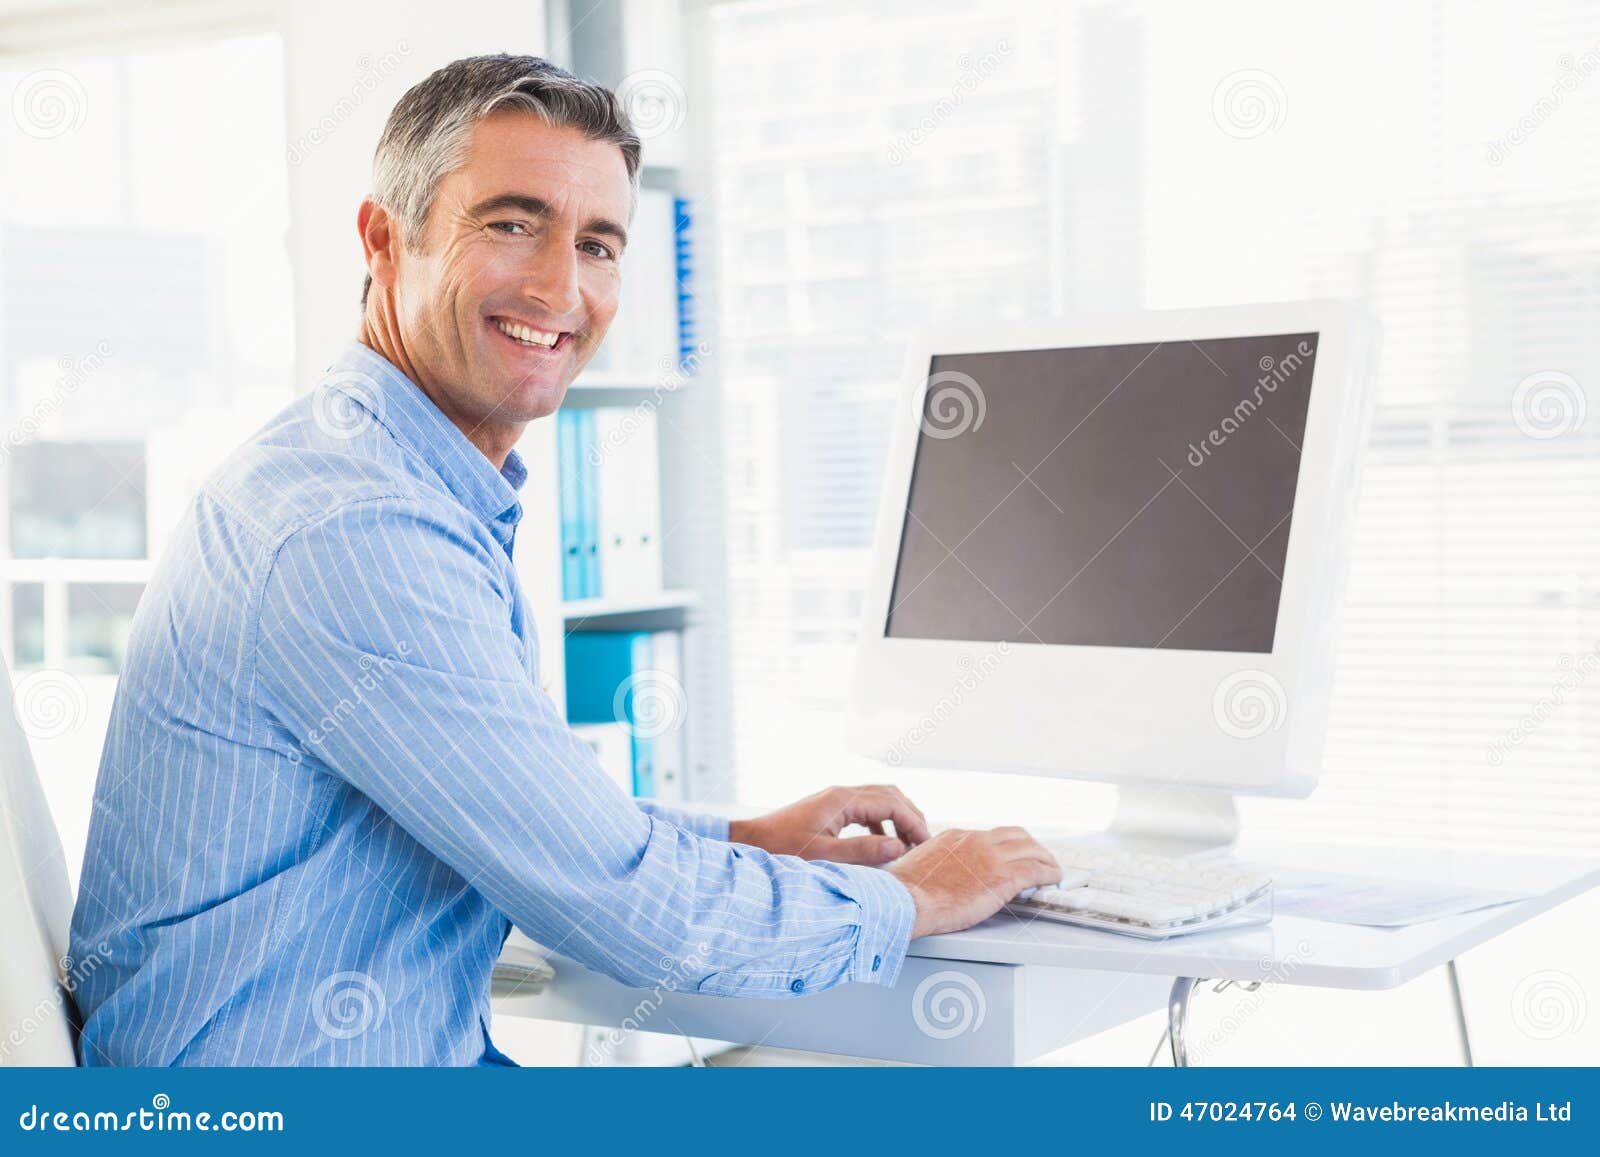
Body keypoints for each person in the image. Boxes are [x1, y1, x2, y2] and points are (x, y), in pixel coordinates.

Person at [67, 54, 1061, 1066]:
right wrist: (911, 893)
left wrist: (744, 835)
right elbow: (632, 911)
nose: (560, 286)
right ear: (383, 239)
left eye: (597, 244)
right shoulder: (351, 527)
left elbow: (521, 805)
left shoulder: (389, 478)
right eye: (510, 223)